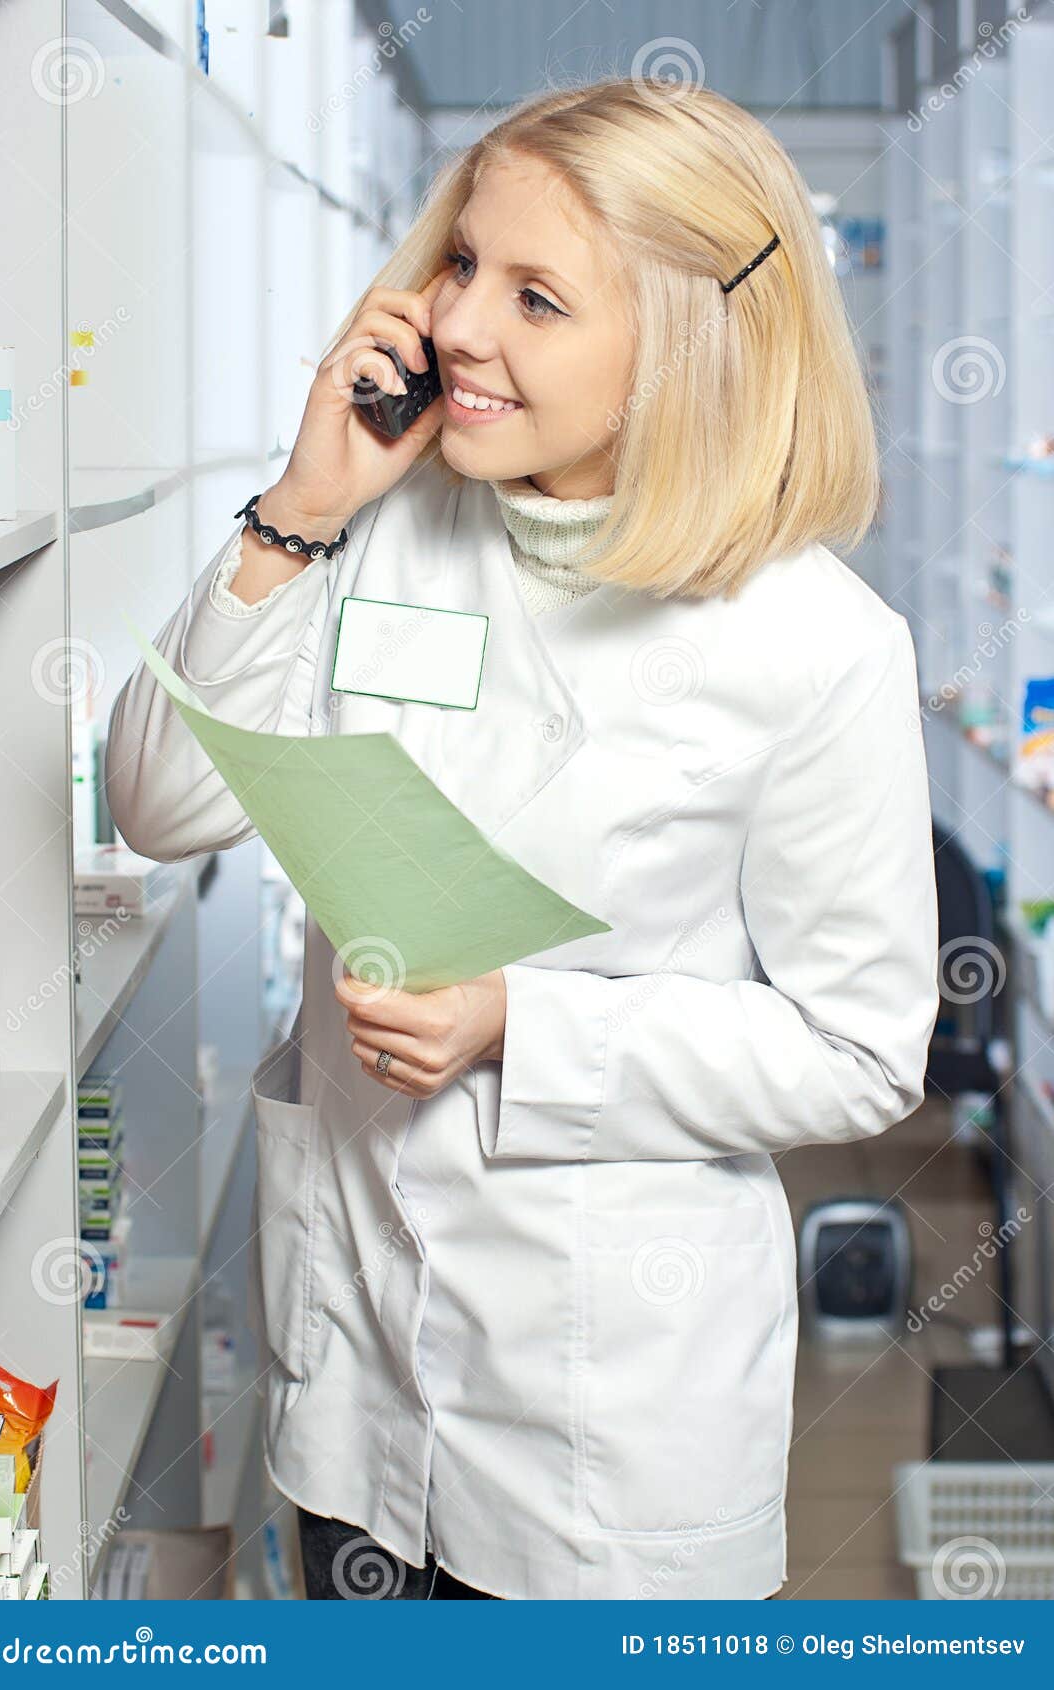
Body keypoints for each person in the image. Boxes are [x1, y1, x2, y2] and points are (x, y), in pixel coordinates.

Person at [105, 78, 940, 1601]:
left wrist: (521, 1027)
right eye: (464, 263)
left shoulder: (816, 645)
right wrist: (301, 505)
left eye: (536, 297)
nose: (458, 324)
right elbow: (158, 803)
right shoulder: (387, 516)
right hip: (348, 1377)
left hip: (602, 1438)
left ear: (681, 344)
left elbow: (865, 1048)